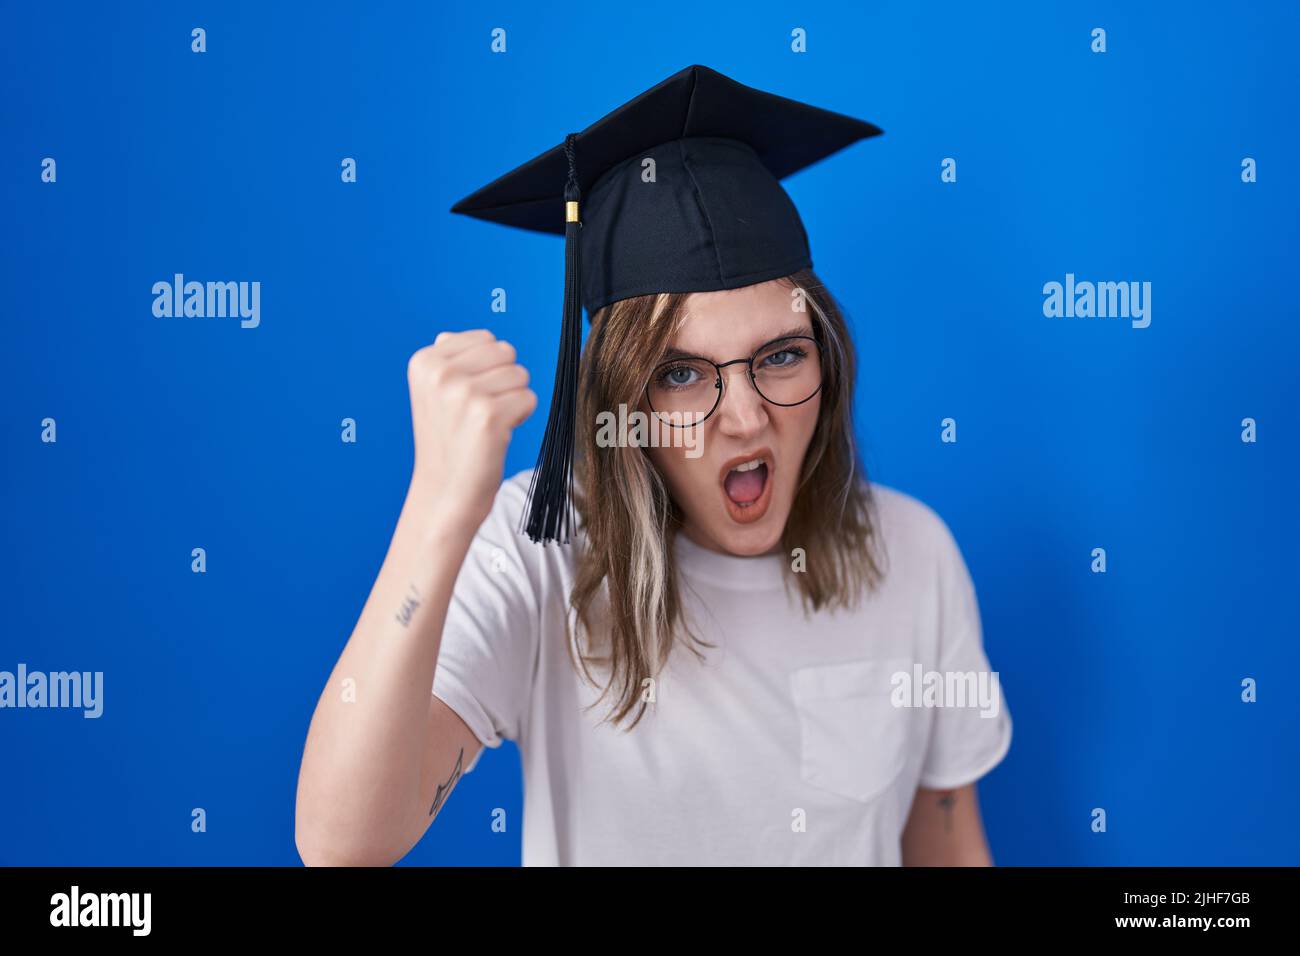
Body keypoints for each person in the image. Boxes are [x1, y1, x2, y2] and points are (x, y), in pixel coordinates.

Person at [294, 65, 1012, 866]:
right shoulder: (541, 550)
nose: (745, 418)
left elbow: (947, 844)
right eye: (681, 374)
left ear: (829, 360)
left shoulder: (914, 555)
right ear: (621, 398)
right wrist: (437, 510)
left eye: (780, 356)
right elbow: (341, 844)